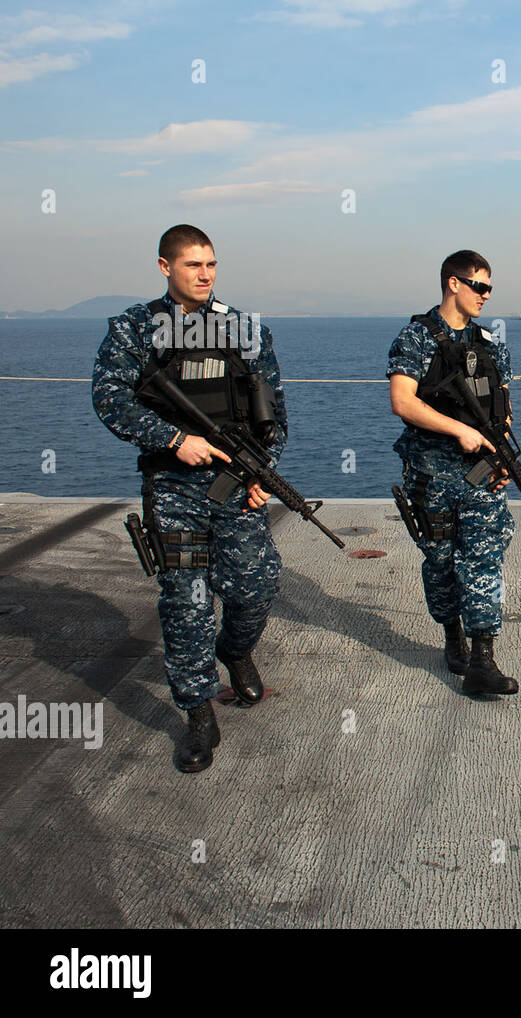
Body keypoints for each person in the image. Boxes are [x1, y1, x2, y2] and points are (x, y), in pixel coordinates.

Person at [91, 224, 287, 773]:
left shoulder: (245, 331)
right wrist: (175, 439)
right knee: (186, 601)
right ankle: (198, 711)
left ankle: (236, 650)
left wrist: (262, 472)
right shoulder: (135, 329)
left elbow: (274, 413)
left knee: (257, 583)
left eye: (211, 265)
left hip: (235, 480)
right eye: (192, 265)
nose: (204, 274)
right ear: (164, 267)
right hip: (173, 486)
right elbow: (109, 401)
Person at [387, 250, 517, 697]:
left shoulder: (490, 342)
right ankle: (452, 639)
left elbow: (503, 406)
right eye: (478, 286)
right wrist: (458, 429)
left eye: (489, 287)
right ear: (453, 284)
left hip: (479, 474)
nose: (485, 295)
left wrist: (501, 460)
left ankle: (483, 659)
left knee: (484, 558)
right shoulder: (416, 338)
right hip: (431, 472)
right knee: (440, 561)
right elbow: (403, 402)